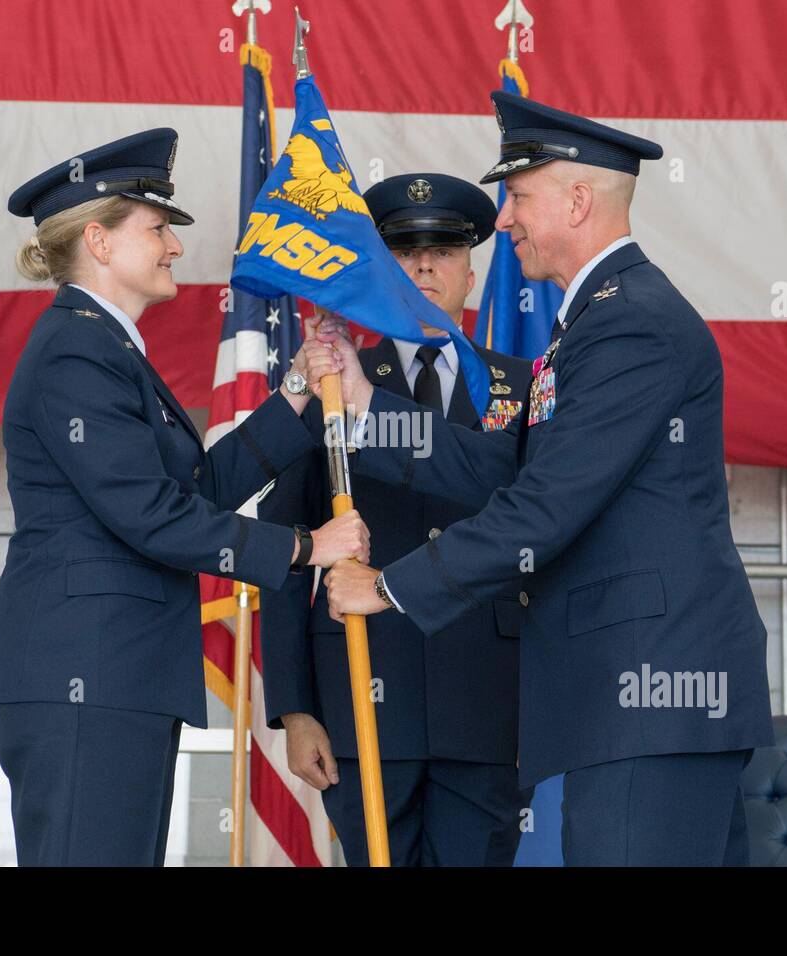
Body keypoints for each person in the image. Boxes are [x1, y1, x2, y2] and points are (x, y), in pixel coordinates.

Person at [308, 93, 775, 866]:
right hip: (638, 704)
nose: (504, 220)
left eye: (518, 196)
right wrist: (365, 408)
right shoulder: (594, 316)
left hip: (652, 696)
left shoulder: (630, 321)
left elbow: (545, 507)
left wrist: (388, 589)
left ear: (578, 200)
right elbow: (512, 466)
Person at [0, 128, 369, 866]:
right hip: (85, 675)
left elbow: (192, 492)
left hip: (111, 673)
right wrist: (304, 547)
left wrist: (292, 396)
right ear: (98, 240)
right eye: (157, 228)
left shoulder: (105, 346)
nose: (175, 247)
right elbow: (148, 515)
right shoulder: (77, 349)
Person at [259, 173, 533, 866]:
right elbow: (287, 546)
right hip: (360, 694)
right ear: (379, 268)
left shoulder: (524, 389)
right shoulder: (330, 379)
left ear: (472, 269)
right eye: (405, 250)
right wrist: (294, 709)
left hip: (487, 700)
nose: (424, 265)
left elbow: (548, 534)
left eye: (443, 249)